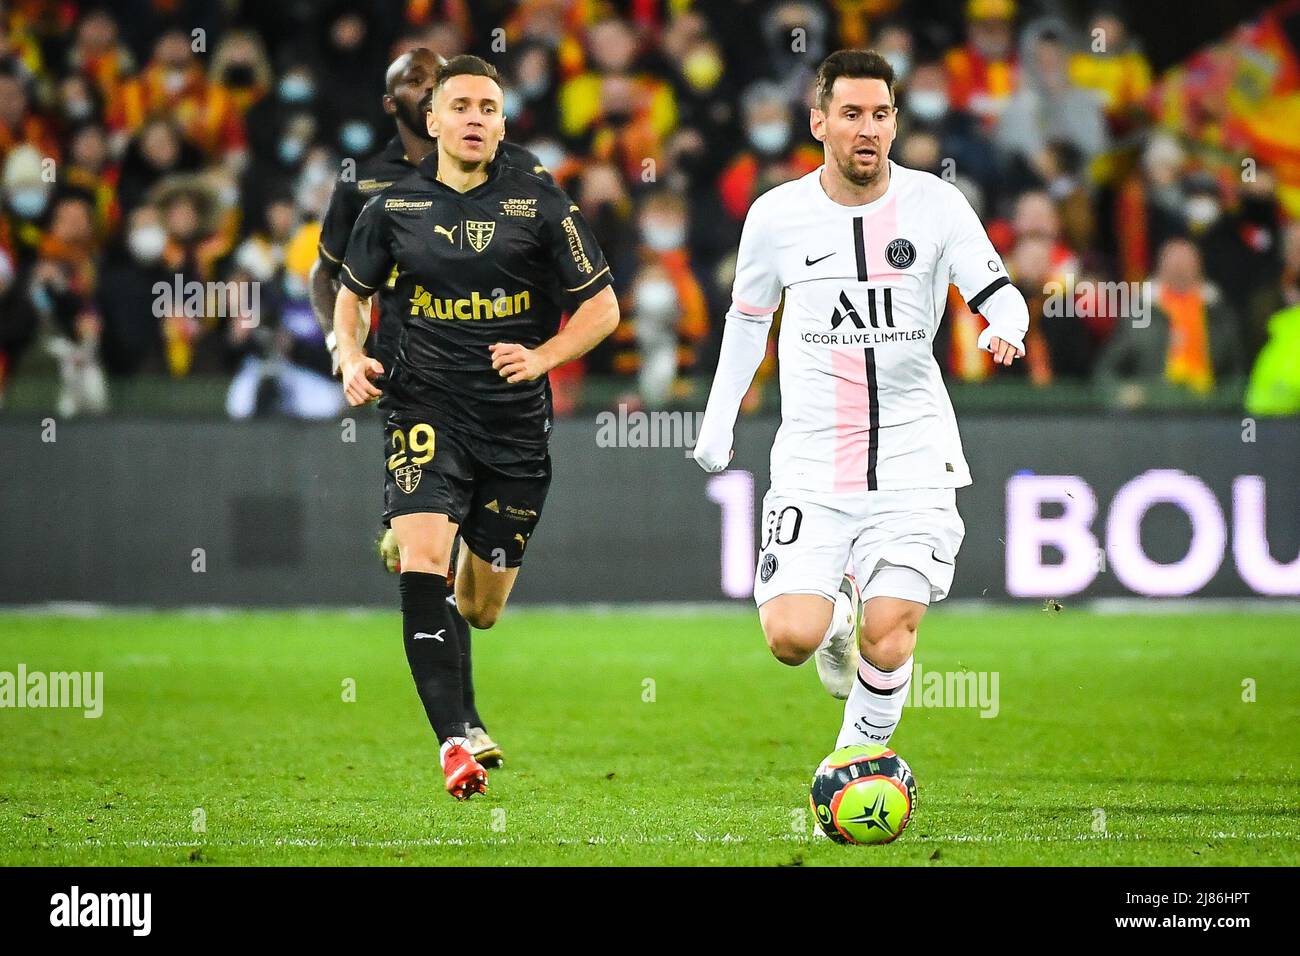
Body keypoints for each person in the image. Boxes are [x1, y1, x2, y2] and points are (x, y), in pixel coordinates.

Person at [692, 50, 1028, 762]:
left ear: (895, 122)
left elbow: (995, 287)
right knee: (791, 638)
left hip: (914, 454)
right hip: (815, 458)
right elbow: (749, 321)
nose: (866, 129)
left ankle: (851, 766)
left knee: (894, 625)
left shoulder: (937, 204)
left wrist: (1008, 325)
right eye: (851, 114)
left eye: (879, 114)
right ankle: (834, 622)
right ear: (819, 122)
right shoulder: (777, 216)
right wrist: (720, 416)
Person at [333, 55, 619, 799]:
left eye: (488, 108)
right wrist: (353, 356)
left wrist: (543, 356)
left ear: (502, 122)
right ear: (431, 120)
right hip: (423, 405)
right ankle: (454, 741)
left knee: (480, 607)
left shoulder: (541, 204)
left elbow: (603, 307)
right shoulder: (390, 209)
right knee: (424, 563)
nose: (473, 118)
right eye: (459, 105)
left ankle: (443, 574)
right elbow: (349, 291)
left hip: (514, 426)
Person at [310, 48, 551, 771]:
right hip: (412, 378)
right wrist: (343, 346)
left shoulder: (523, 175)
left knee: (474, 587)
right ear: (403, 105)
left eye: (436, 79)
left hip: (505, 399)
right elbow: (335, 276)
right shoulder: (369, 186)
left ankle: (459, 697)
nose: (428, 91)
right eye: (414, 84)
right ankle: (461, 724)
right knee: (427, 543)